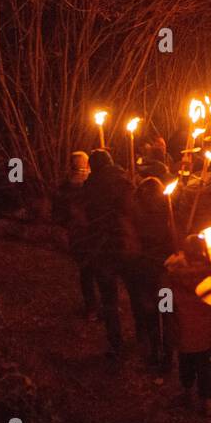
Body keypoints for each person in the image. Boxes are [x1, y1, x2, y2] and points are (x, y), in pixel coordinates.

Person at [82, 149, 140, 357]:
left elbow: (84, 217)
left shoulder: (87, 188)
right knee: (136, 293)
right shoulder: (124, 182)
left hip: (101, 248)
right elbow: (134, 211)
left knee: (109, 300)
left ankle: (115, 342)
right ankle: (143, 336)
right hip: (124, 244)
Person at [164, 235, 211, 414]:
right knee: (204, 363)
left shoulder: (173, 270)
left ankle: (188, 392)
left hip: (182, 326)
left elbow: (164, 293)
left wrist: (163, 311)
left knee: (185, 361)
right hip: (206, 326)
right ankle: (207, 400)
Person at [130, 177, 177, 369]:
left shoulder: (136, 217)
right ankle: (165, 355)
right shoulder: (169, 216)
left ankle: (157, 351)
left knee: (151, 315)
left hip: (146, 277)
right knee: (166, 313)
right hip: (162, 277)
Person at [51, 151, 95, 318]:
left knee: (87, 272)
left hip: (79, 236)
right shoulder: (89, 188)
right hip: (88, 235)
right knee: (93, 272)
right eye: (87, 164)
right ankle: (95, 308)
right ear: (83, 166)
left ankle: (93, 308)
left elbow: (57, 216)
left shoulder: (64, 189)